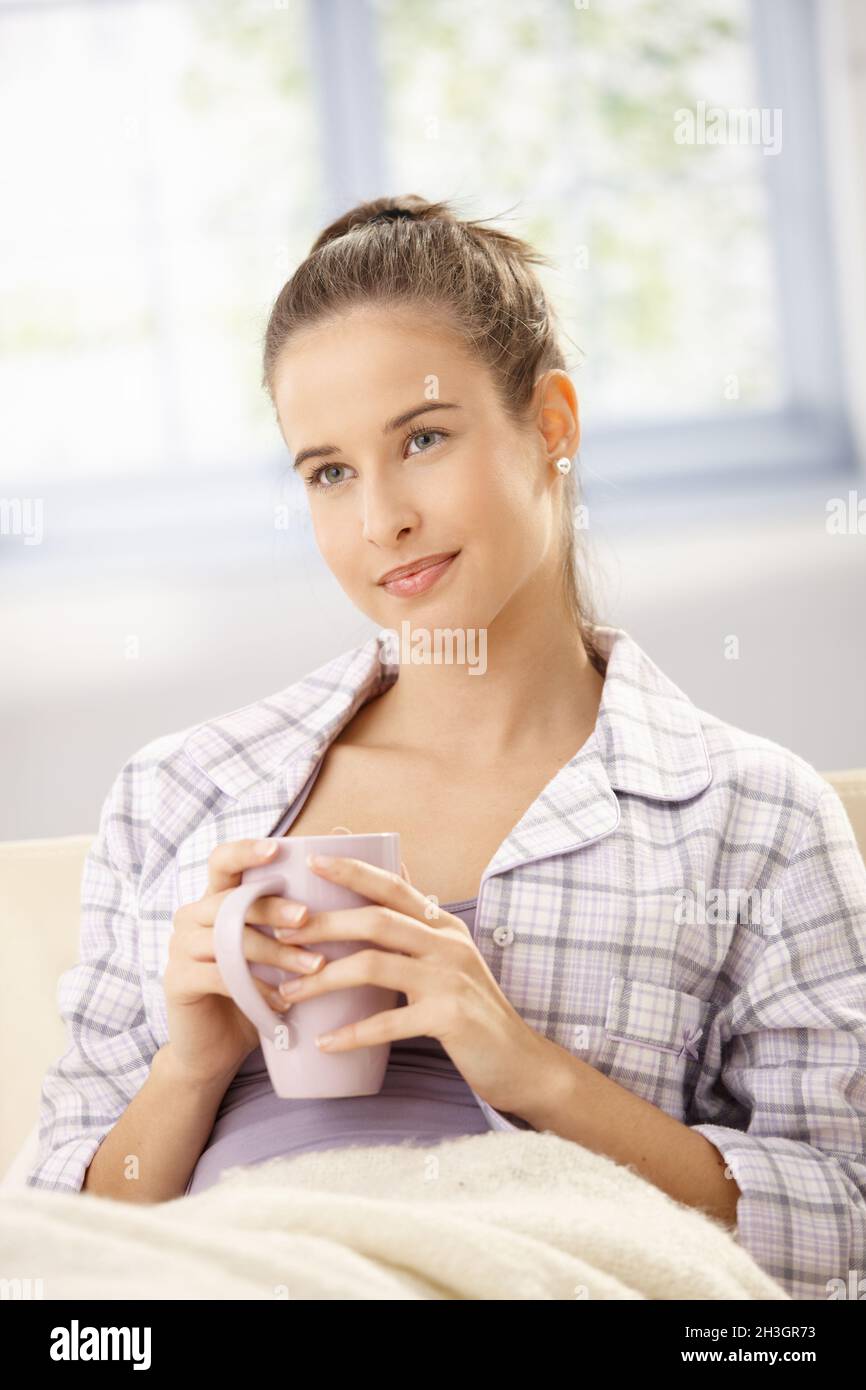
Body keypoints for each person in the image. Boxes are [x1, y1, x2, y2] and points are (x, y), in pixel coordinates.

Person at [26, 195, 866, 1302]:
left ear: (550, 425)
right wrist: (194, 1065)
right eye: (327, 471)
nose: (381, 520)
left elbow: (843, 1226)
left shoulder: (749, 814)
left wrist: (535, 1073)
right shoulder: (181, 791)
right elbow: (62, 1260)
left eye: (421, 440)